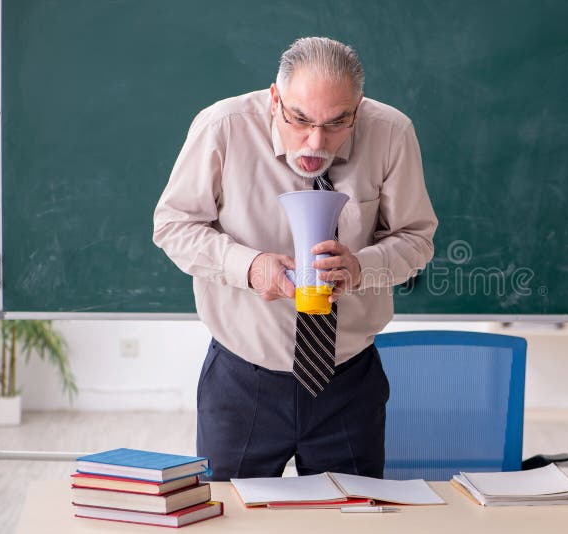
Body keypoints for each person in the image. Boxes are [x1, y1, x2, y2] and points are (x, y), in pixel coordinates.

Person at [153, 37, 437, 480]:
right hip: (242, 379)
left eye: (337, 123)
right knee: (230, 519)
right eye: (300, 119)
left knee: (354, 515)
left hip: (348, 380)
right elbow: (173, 225)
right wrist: (248, 266)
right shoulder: (223, 127)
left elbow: (416, 238)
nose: (314, 142)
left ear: (357, 109)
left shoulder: (392, 133)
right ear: (274, 98)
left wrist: (363, 267)